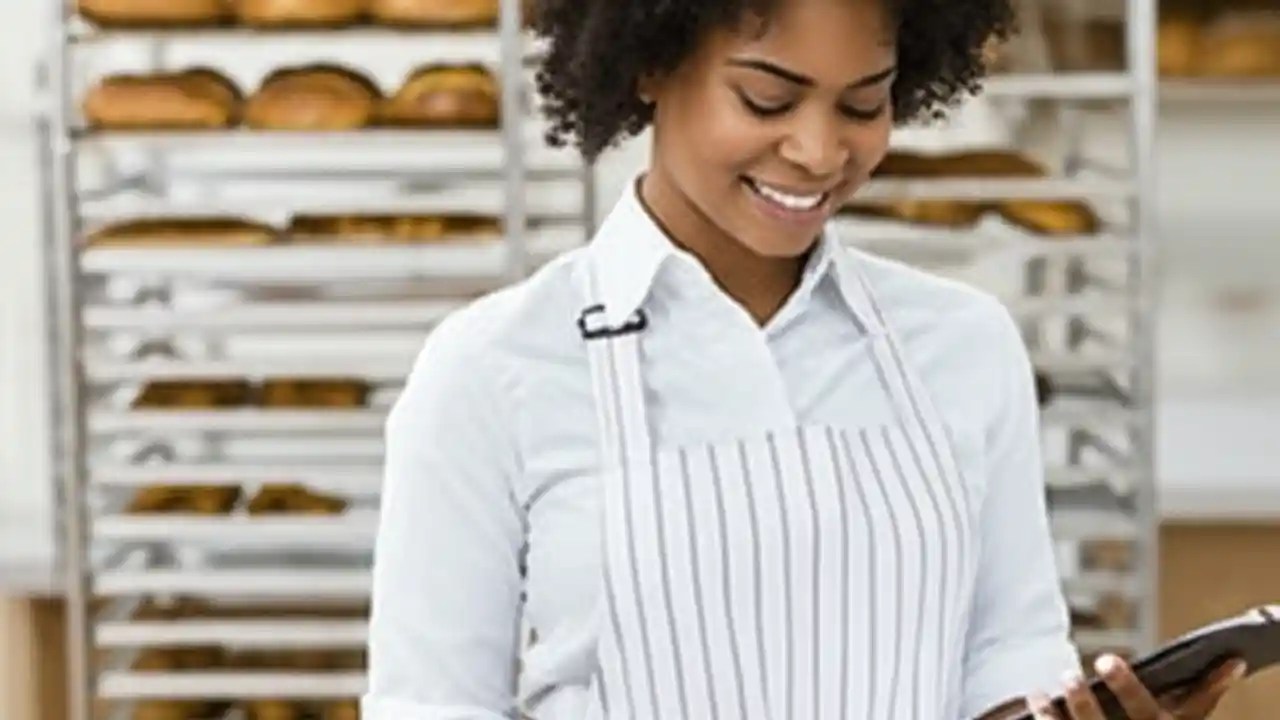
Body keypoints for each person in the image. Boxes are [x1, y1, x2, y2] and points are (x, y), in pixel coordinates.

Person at [362, 0, 1246, 717]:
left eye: (864, 105)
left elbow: (1006, 658)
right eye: (766, 99)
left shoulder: (962, 343)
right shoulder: (491, 367)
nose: (821, 152)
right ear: (648, 64)